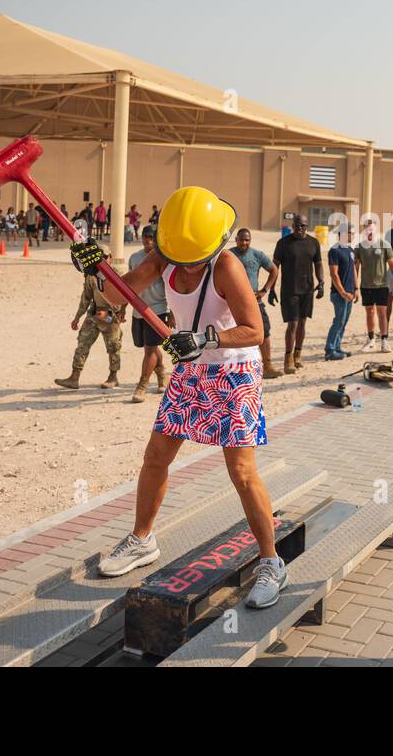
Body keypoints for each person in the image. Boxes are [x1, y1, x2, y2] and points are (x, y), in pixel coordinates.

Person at [88, 186, 288, 609]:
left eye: (192, 256)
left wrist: (203, 337)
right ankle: (143, 539)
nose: (186, 264)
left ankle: (272, 561)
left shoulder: (227, 266)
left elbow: (256, 330)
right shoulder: (163, 259)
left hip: (234, 372)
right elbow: (112, 297)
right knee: (156, 456)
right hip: (193, 369)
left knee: (241, 471)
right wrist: (93, 271)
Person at [54, 246, 125, 389]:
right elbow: (86, 297)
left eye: (104, 257)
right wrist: (77, 317)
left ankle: (113, 377)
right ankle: (74, 377)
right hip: (95, 313)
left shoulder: (117, 274)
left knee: (113, 346)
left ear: (110, 257)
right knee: (83, 343)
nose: (102, 261)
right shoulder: (92, 274)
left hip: (110, 315)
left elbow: (126, 294)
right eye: (99, 258)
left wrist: (122, 311)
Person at [271, 214, 323, 374]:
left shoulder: (313, 243)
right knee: (292, 324)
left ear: (307, 226)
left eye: (303, 226)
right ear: (292, 226)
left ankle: (297, 355)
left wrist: (321, 283)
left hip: (307, 289)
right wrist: (271, 288)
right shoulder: (283, 243)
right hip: (289, 290)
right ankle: (288, 359)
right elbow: (275, 266)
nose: (300, 228)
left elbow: (318, 264)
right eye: (297, 225)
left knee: (302, 323)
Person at [232, 227, 282, 378]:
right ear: (236, 240)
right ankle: (237, 369)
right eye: (241, 239)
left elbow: (274, 270)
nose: (244, 242)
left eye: (247, 240)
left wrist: (265, 290)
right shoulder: (229, 255)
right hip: (233, 303)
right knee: (235, 334)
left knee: (264, 331)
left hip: (254, 302)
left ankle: (267, 367)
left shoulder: (257, 254)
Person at [127, 226, 170, 402]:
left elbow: (171, 286)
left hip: (157, 309)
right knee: (148, 346)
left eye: (151, 237)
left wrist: (172, 312)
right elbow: (128, 283)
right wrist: (123, 307)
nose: (148, 240)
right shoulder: (135, 258)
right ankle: (161, 373)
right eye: (145, 237)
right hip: (138, 309)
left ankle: (142, 385)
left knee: (150, 348)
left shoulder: (164, 259)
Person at [355, 217, 393, 353]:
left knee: (382, 312)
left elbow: (392, 265)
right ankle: (371, 339)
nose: (369, 231)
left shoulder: (384, 244)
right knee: (370, 312)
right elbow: (355, 268)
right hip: (366, 286)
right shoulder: (359, 247)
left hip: (382, 285)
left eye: (371, 228)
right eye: (366, 228)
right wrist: (355, 287)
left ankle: (384, 341)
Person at [326, 224, 357, 360]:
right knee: (338, 321)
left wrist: (356, 288)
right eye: (351, 233)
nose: (354, 235)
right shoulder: (334, 251)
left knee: (344, 322)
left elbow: (354, 270)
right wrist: (342, 292)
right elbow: (334, 274)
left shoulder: (350, 250)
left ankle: (337, 347)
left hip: (350, 293)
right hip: (339, 294)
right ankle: (330, 350)